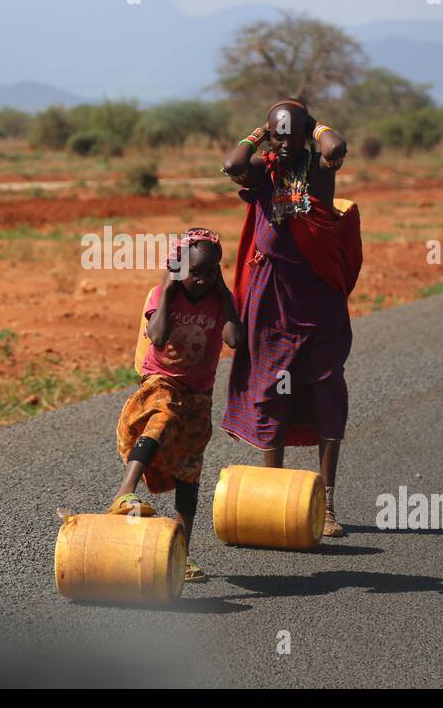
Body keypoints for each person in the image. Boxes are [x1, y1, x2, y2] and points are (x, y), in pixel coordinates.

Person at [219, 98, 363, 537]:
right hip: (270, 295)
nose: (283, 143)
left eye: (291, 135)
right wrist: (262, 132)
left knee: (326, 388)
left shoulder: (319, 171)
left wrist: (314, 125)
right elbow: (231, 164)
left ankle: (327, 504)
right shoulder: (264, 170)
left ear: (304, 135)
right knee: (271, 386)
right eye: (277, 134)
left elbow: (336, 147)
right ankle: (276, 496)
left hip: (317, 296)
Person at [111, 228, 241, 583]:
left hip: (199, 391)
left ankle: (180, 553)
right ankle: (125, 493)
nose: (202, 279)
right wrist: (168, 289)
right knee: (162, 416)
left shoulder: (218, 301)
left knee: (190, 469)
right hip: (162, 379)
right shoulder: (161, 293)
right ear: (178, 267)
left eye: (211, 271)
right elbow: (157, 336)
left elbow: (234, 339)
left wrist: (225, 294)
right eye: (194, 271)